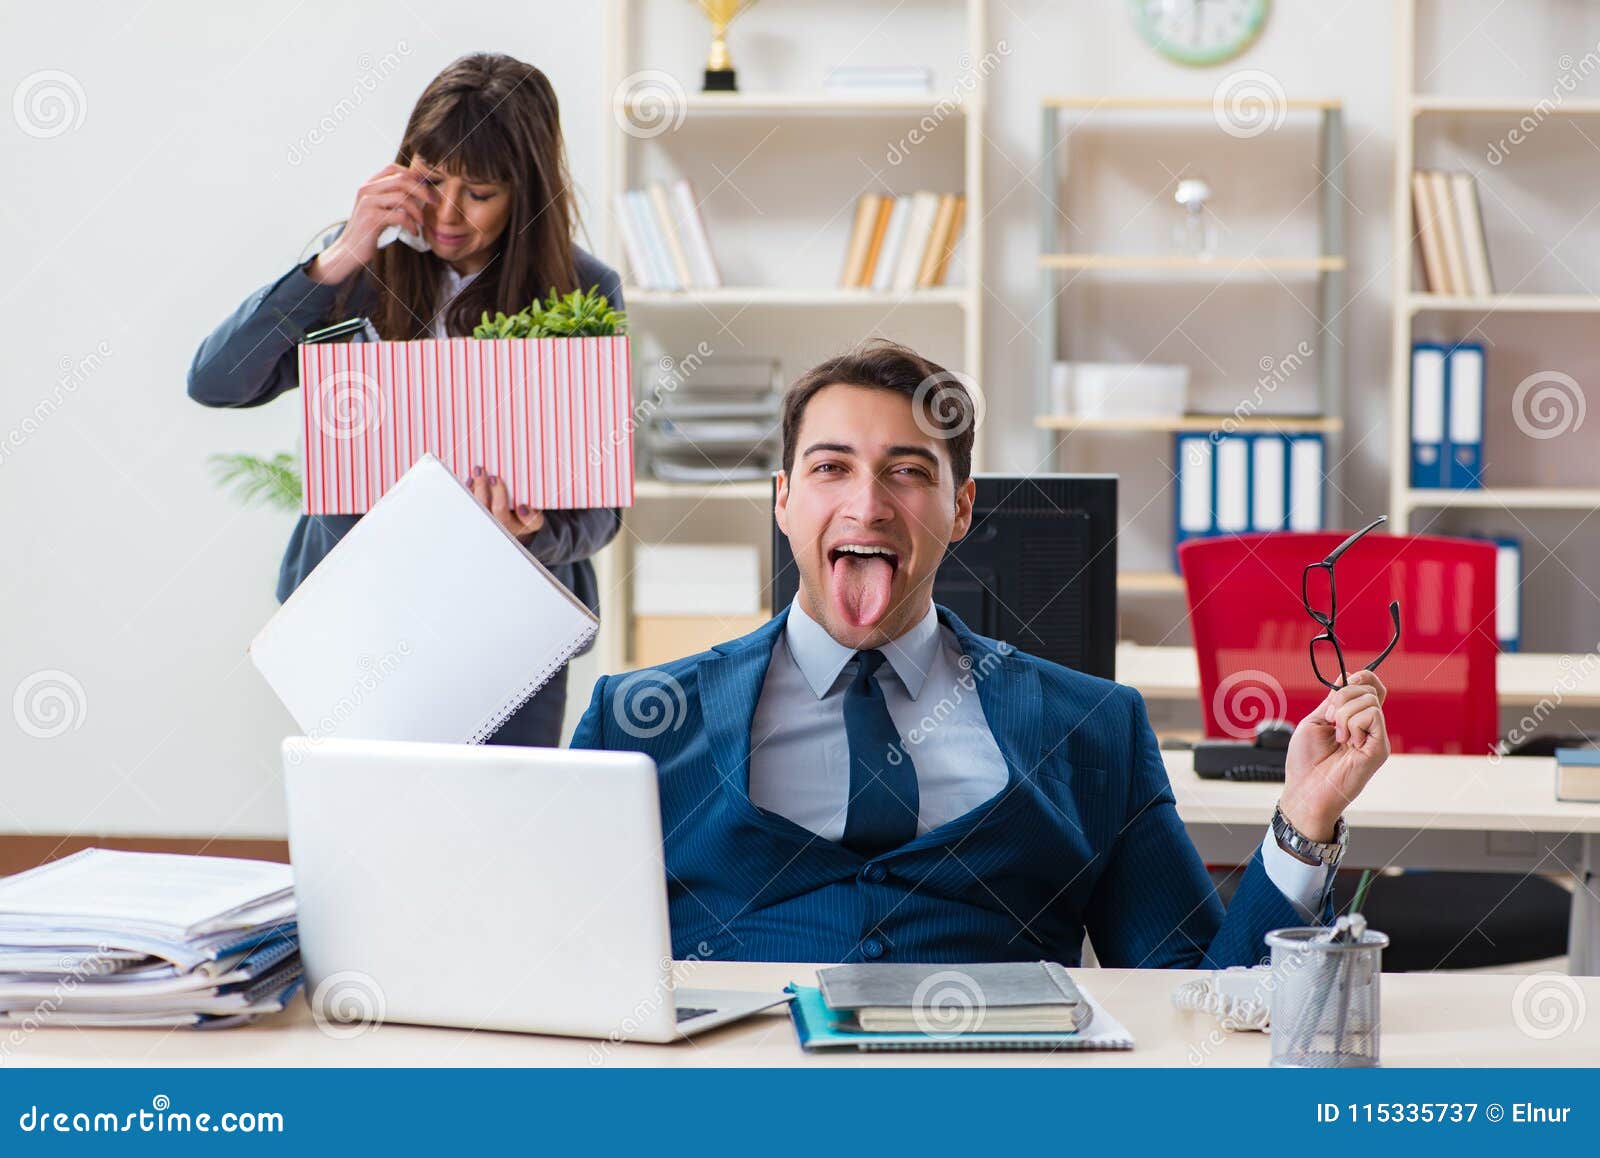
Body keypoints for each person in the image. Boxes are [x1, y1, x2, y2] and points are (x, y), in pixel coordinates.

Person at [573, 339, 1391, 967]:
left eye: (906, 472)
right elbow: (552, 966)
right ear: (783, 500)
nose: (868, 505)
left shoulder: (1094, 728)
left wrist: (1303, 822)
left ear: (961, 509)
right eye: (831, 468)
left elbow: (1205, 1000)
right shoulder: (638, 722)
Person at [188, 53, 621, 746]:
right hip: (360, 619)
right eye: (431, 180)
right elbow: (216, 381)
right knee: (364, 810)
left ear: (525, 191)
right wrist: (338, 258)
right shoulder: (356, 269)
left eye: (479, 193)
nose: (447, 213)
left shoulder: (582, 289)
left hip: (510, 626)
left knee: (502, 809)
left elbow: (601, 513)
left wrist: (532, 533)